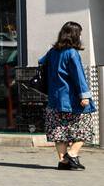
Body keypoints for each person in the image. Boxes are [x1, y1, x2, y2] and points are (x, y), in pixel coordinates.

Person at [40, 21, 95, 171]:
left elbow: (41, 62)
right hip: (71, 99)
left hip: (54, 98)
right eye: (80, 33)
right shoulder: (72, 53)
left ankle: (63, 161)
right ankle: (72, 154)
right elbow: (78, 76)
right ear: (75, 35)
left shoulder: (52, 52)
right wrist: (84, 96)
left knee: (59, 131)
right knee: (86, 127)